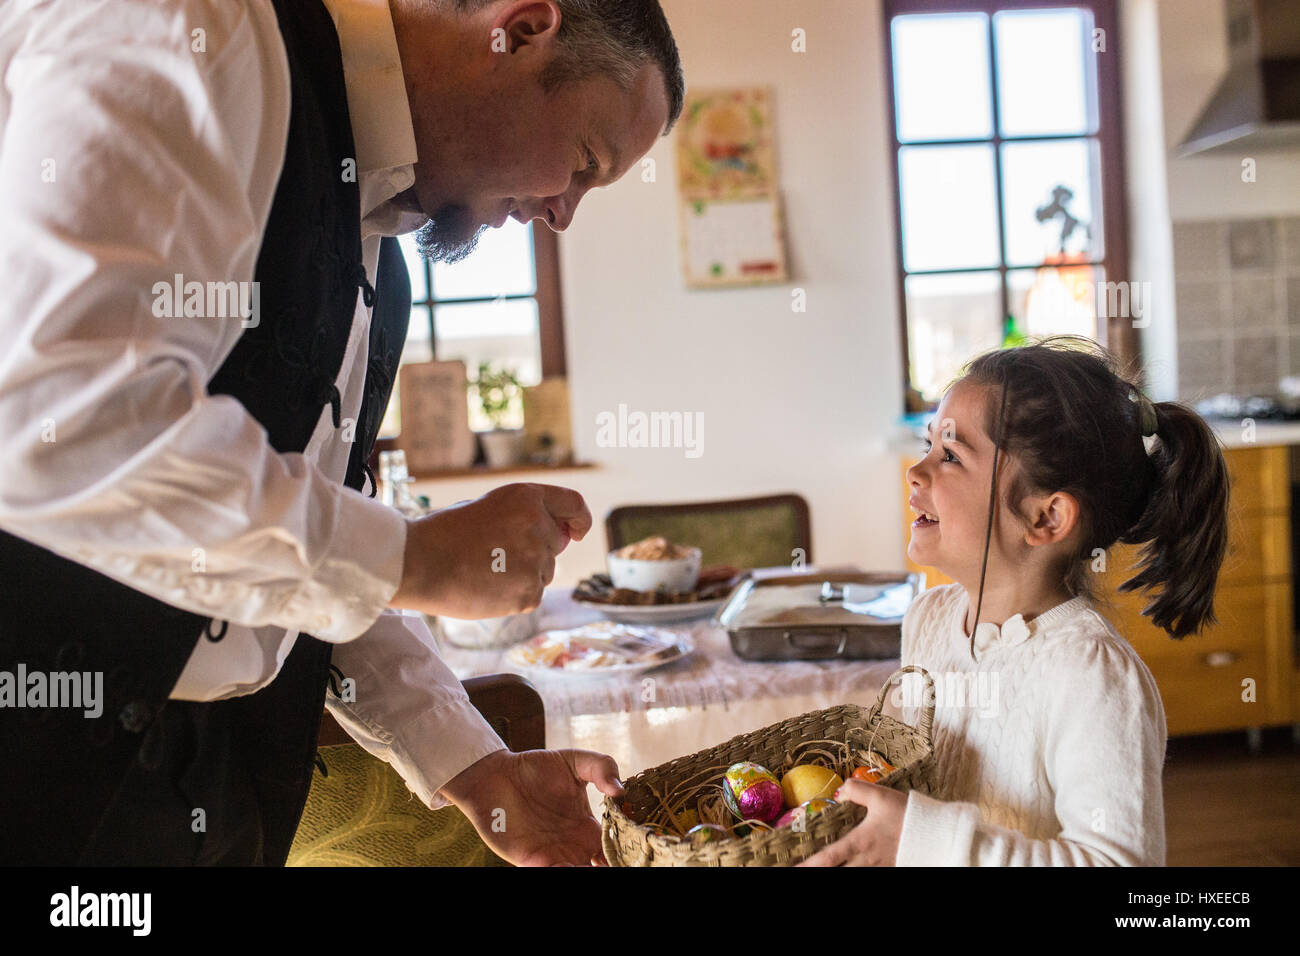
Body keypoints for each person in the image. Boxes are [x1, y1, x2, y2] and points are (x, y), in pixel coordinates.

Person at [0, 0, 683, 865]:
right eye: (585, 163)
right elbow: (60, 425)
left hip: (213, 791)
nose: (562, 214)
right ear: (522, 26)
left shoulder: (378, 263)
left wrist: (471, 763)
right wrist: (416, 557)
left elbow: (304, 543)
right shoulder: (198, 28)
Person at [803, 336, 1230, 866]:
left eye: (952, 457)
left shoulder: (1093, 675)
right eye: (928, 447)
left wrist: (921, 839)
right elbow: (908, 774)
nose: (917, 472)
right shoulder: (929, 619)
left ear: (1045, 518)